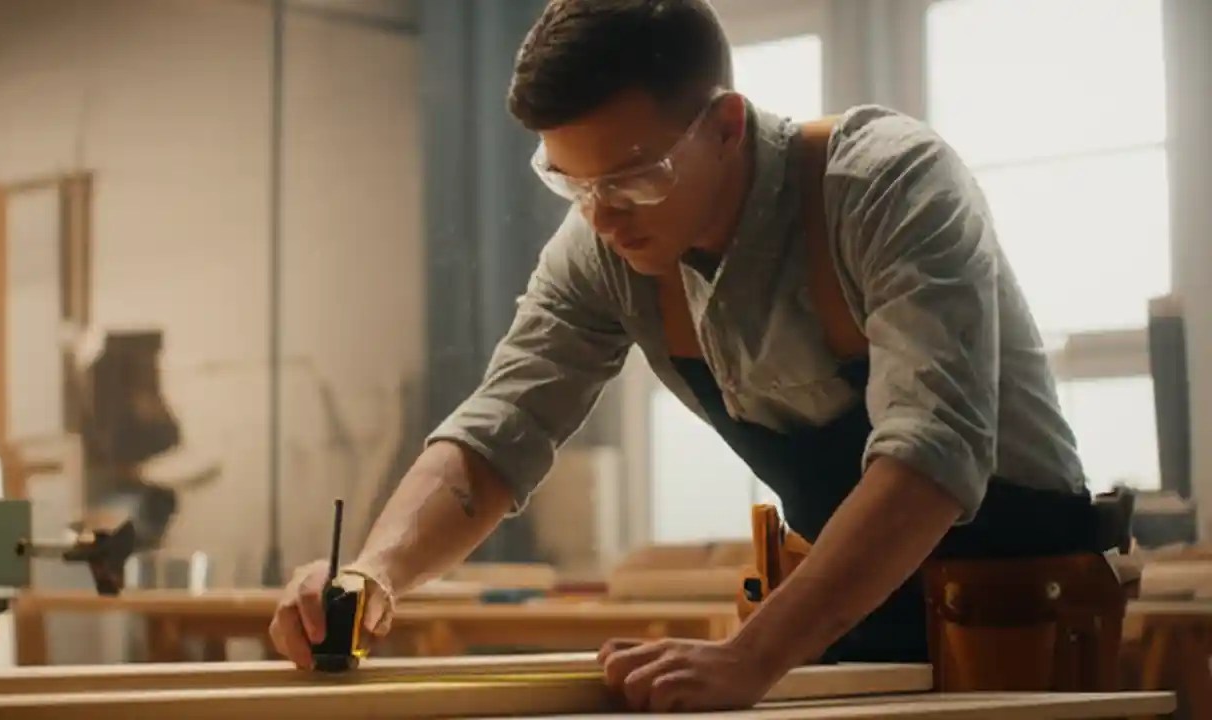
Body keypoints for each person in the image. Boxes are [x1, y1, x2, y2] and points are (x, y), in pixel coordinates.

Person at [271, 0, 1104, 711]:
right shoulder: (605, 244)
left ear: (727, 123)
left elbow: (932, 456)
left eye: (632, 178)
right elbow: (500, 430)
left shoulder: (886, 185)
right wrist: (373, 576)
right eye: (571, 183)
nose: (601, 217)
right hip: (841, 615)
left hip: (1017, 611)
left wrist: (749, 656)